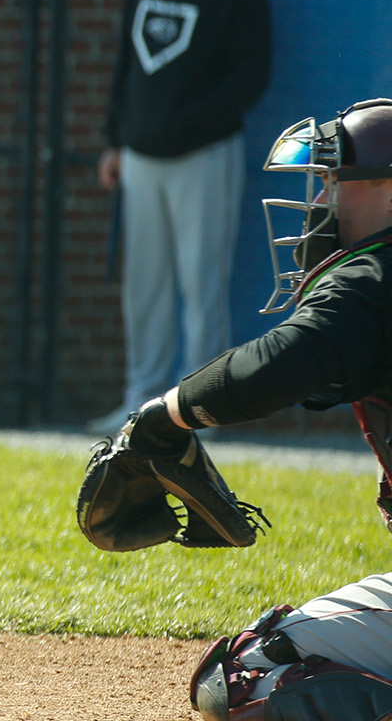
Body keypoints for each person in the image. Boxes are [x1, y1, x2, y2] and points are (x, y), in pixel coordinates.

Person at [93, 99, 392, 718]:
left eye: (335, 183)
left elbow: (277, 366)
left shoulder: (373, 276)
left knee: (248, 676)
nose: (320, 204)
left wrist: (162, 417)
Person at [91, 0, 272, 433]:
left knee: (202, 285)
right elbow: (126, 67)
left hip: (203, 156)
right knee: (143, 284)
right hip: (140, 157)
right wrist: (115, 140)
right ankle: (139, 402)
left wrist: (186, 125)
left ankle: (198, 409)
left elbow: (249, 79)